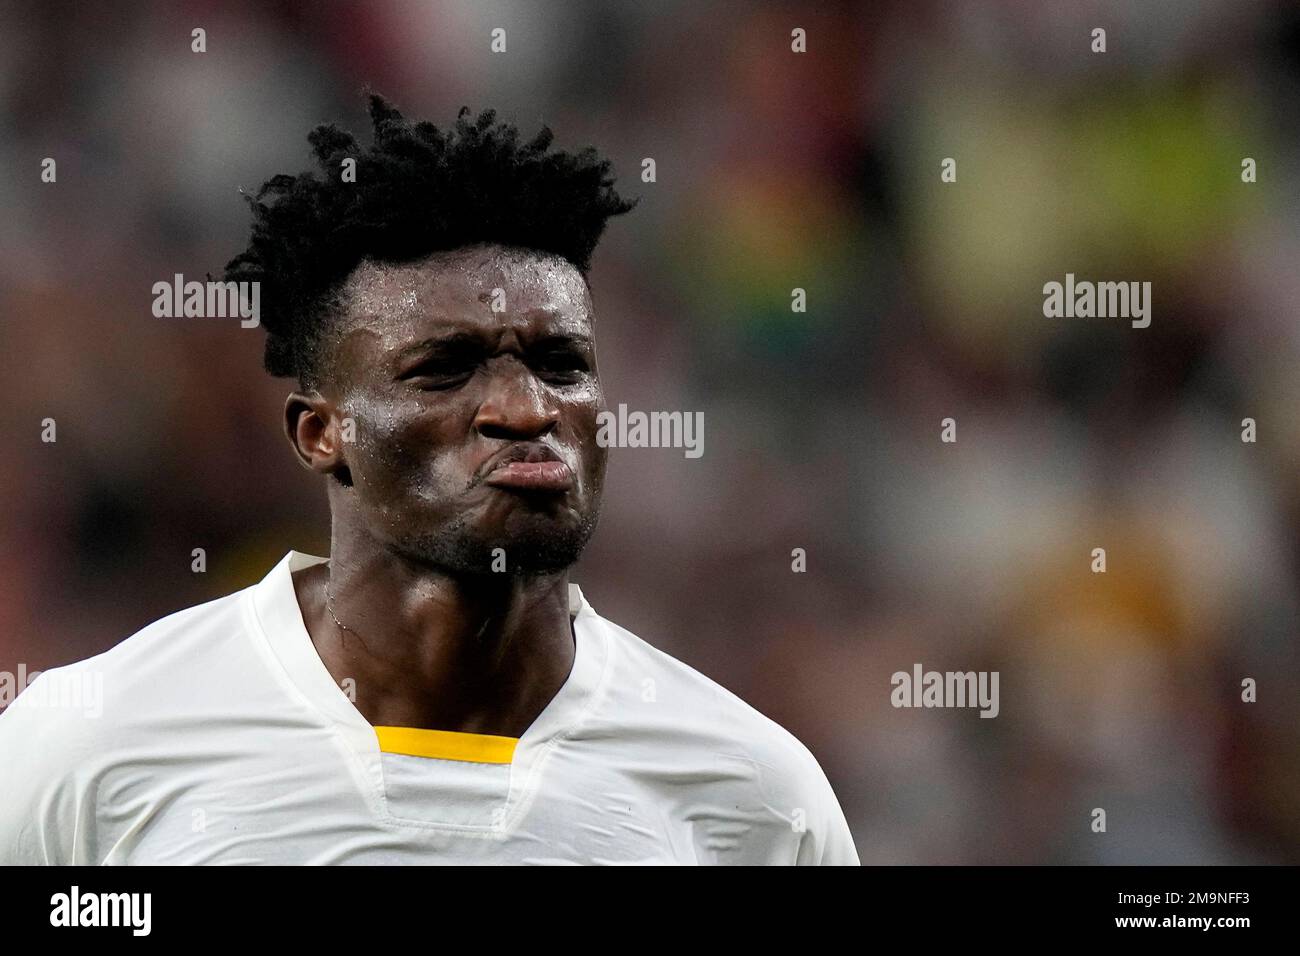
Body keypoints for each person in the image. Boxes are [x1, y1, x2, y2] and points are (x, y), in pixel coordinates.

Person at [0, 97, 859, 864]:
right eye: (446, 370)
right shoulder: (90, 743)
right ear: (319, 433)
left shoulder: (752, 798)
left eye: (561, 364)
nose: (526, 411)